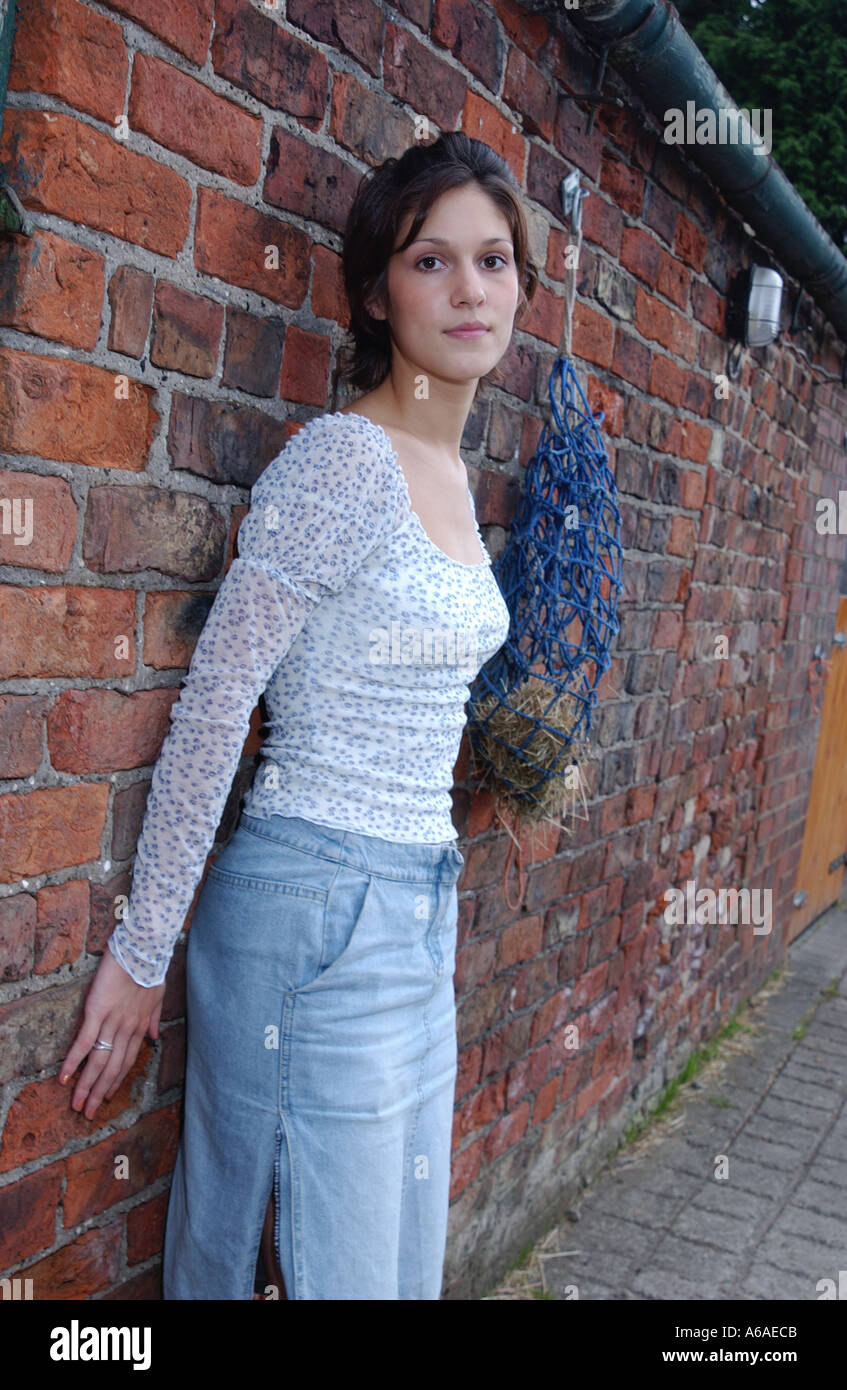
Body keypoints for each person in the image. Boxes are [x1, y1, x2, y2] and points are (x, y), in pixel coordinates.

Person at [58, 131, 539, 1299]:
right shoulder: (343, 461)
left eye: (493, 260)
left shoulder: (452, 477)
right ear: (377, 291)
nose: (469, 290)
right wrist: (141, 946)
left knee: (391, 1267)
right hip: (316, 909)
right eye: (432, 262)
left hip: (418, 908)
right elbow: (219, 700)